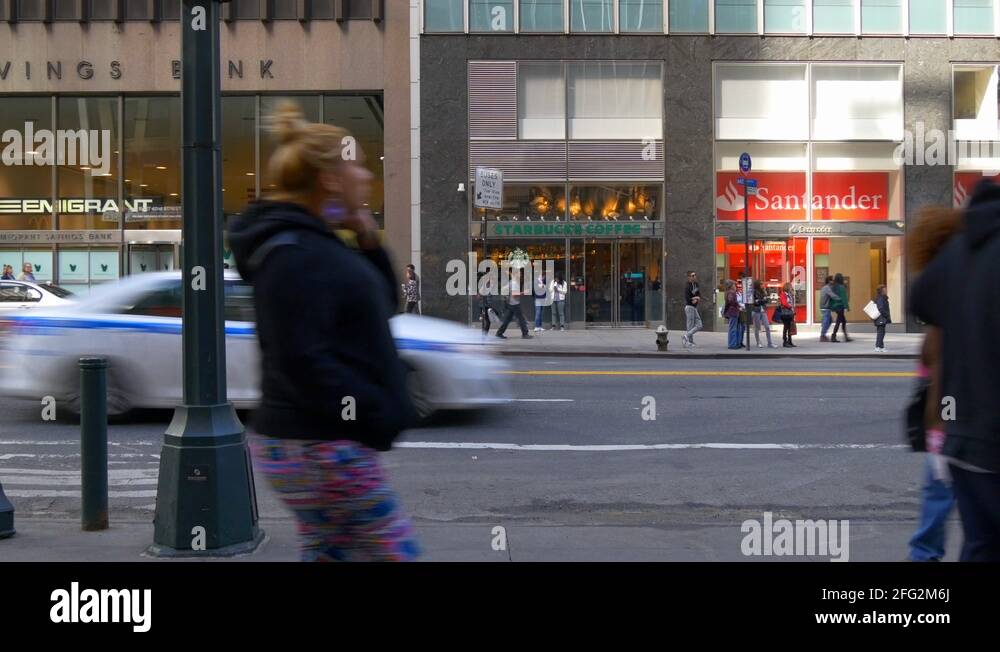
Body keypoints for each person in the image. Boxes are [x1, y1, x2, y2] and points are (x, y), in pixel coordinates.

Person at [229, 102, 419, 561]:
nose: (365, 176)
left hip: (315, 442)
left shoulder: (316, 243)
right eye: (355, 164)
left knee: (331, 551)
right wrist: (373, 409)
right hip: (322, 448)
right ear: (330, 178)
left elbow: (383, 303)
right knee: (394, 554)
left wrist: (367, 234)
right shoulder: (297, 254)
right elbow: (302, 357)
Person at [911, 180, 1000, 562]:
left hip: (956, 434)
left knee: (980, 541)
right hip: (970, 433)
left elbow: (932, 377)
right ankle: (922, 553)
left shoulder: (955, 265)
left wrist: (943, 425)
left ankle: (923, 553)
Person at [905, 206, 963, 562]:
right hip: (952, 420)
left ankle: (923, 555)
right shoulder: (952, 295)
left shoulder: (942, 296)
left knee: (939, 494)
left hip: (948, 420)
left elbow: (936, 370)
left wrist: (941, 426)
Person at [496, 270, 532, 339]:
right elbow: (514, 295)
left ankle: (499, 333)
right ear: (515, 274)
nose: (521, 275)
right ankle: (525, 334)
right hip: (514, 303)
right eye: (519, 273)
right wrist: (523, 292)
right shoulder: (514, 283)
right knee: (521, 319)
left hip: (511, 303)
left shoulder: (511, 282)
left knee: (507, 319)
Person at [751, 279, 777, 349]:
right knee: (757, 327)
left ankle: (770, 343)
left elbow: (767, 300)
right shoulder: (753, 292)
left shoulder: (764, 291)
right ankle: (758, 342)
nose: (763, 285)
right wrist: (762, 300)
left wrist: (761, 300)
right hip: (756, 311)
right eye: (761, 284)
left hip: (763, 311)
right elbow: (755, 302)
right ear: (758, 285)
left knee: (767, 327)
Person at [682, 271, 702, 348]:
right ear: (689, 277)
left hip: (694, 307)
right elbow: (687, 298)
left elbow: (699, 295)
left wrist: (696, 298)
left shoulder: (696, 284)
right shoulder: (687, 286)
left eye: (695, 275)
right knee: (690, 325)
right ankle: (689, 342)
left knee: (699, 325)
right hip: (689, 307)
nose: (694, 277)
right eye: (693, 275)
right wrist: (695, 298)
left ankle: (686, 336)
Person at [829, 273, 852, 342]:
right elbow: (844, 298)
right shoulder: (841, 287)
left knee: (843, 321)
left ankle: (845, 336)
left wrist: (832, 306)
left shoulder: (833, 287)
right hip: (840, 306)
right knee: (839, 322)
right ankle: (834, 336)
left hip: (836, 307)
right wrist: (847, 307)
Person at [723, 279, 743, 350]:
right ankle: (732, 344)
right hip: (733, 311)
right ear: (731, 286)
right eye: (734, 284)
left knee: (733, 328)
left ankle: (733, 343)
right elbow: (732, 301)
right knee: (733, 328)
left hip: (732, 311)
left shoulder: (728, 292)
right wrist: (738, 305)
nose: (735, 286)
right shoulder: (731, 292)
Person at [873, 285, 891, 353]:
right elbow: (881, 308)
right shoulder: (881, 298)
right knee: (881, 333)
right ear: (881, 291)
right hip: (881, 318)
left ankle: (881, 347)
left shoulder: (882, 298)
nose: (886, 290)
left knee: (882, 332)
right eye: (885, 289)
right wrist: (886, 315)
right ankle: (878, 347)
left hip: (881, 318)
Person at [779, 282, 796, 348]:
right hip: (785, 313)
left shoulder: (790, 295)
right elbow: (784, 303)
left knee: (790, 327)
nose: (791, 287)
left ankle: (790, 341)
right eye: (790, 286)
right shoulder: (783, 294)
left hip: (790, 313)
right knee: (786, 327)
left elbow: (792, 302)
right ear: (787, 287)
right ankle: (785, 342)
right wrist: (790, 306)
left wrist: (793, 310)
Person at [819, 276, 835, 342]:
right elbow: (832, 295)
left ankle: (823, 334)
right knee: (826, 321)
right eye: (832, 280)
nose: (834, 281)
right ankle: (822, 335)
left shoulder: (826, 287)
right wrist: (840, 299)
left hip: (825, 307)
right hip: (825, 307)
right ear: (829, 281)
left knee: (829, 320)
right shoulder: (827, 288)